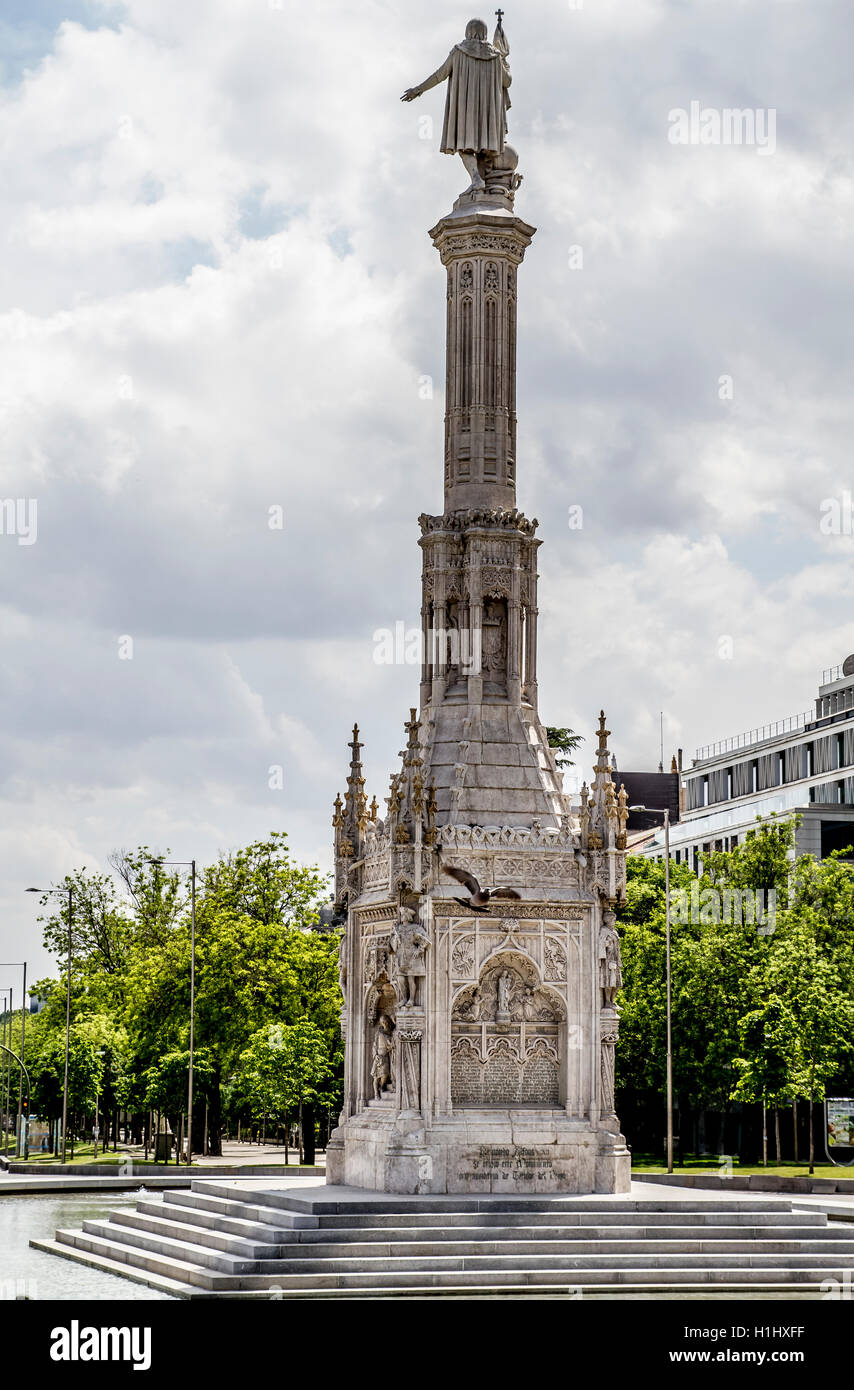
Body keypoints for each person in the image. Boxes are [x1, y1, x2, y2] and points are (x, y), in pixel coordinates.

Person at [401, 18, 511, 192]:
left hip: (466, 110)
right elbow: (508, 81)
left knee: (464, 146)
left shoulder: (459, 52)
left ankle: (476, 179)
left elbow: (439, 75)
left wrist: (418, 89)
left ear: (468, 31)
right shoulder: (495, 56)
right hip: (489, 114)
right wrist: (504, 62)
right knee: (484, 149)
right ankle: (481, 181)